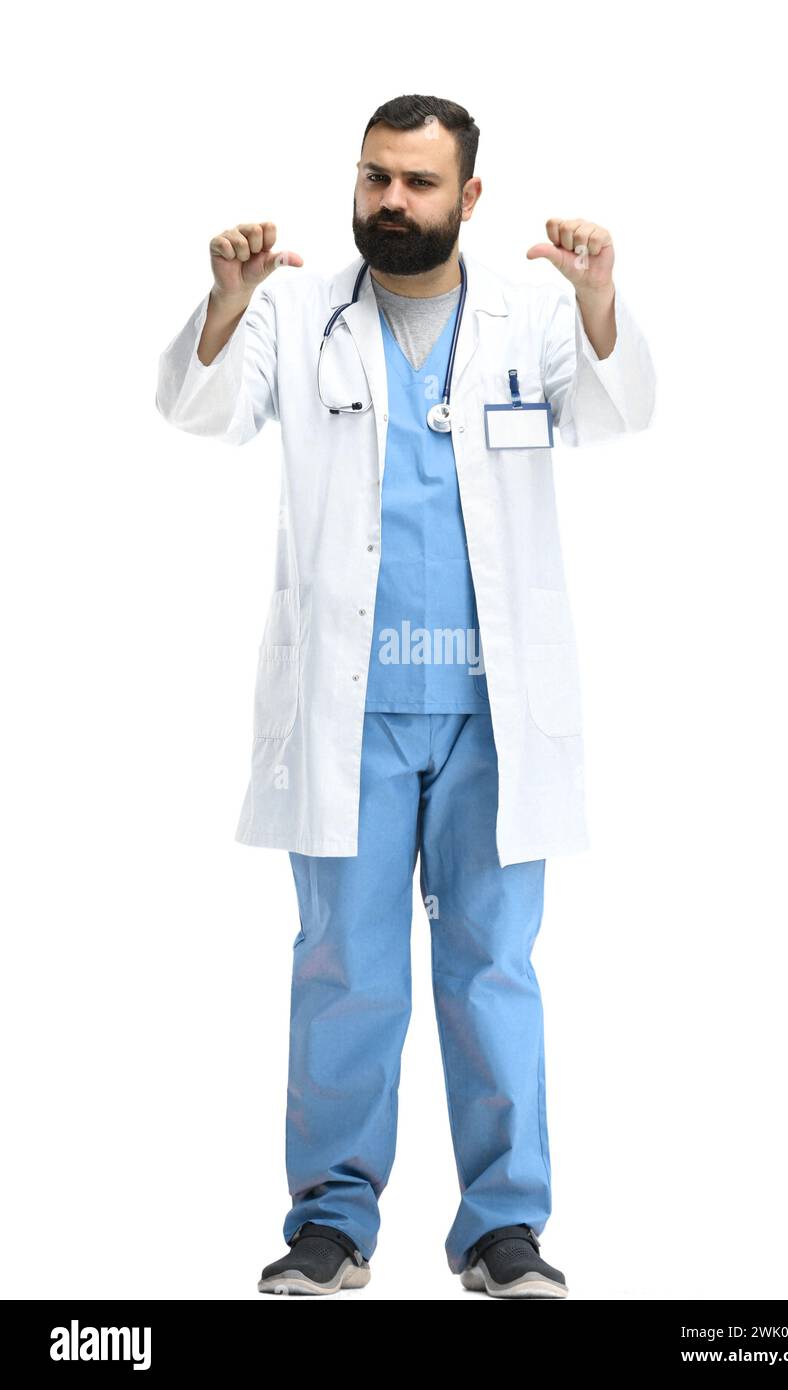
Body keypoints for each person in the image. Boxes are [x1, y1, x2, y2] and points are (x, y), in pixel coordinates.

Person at [155, 93, 656, 1300]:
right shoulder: (295, 310)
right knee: (345, 964)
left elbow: (618, 410)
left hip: (493, 711)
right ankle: (330, 1220)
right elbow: (197, 410)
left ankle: (499, 1229)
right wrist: (223, 306)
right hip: (349, 714)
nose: (390, 201)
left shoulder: (529, 316)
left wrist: (595, 301)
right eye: (376, 177)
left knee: (492, 967)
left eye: (418, 184)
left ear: (467, 197)